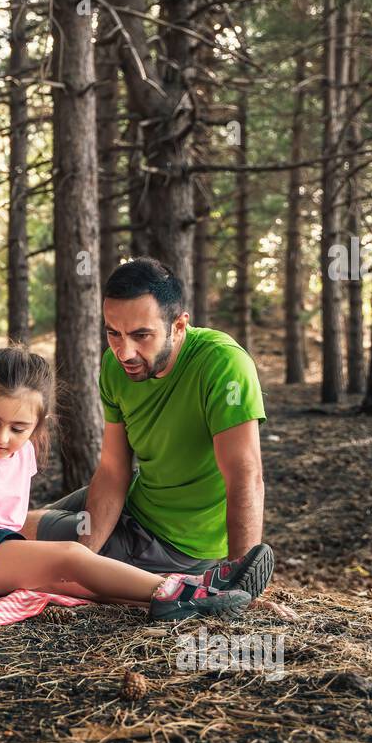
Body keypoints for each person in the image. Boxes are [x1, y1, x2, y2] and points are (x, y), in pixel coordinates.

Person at [0, 346, 265, 621]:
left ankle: (192, 602)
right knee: (73, 556)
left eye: (18, 429)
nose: (2, 437)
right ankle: (189, 589)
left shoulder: (23, 454)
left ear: (37, 426)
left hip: (0, 547)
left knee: (83, 587)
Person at [25, 257, 292, 618]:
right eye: (113, 333)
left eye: (141, 335)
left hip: (176, 544)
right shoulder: (114, 367)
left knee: (23, 546)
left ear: (179, 326)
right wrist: (83, 558)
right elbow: (113, 469)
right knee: (13, 528)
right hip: (134, 501)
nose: (124, 351)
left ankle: (197, 590)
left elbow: (245, 476)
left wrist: (238, 580)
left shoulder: (222, 363)